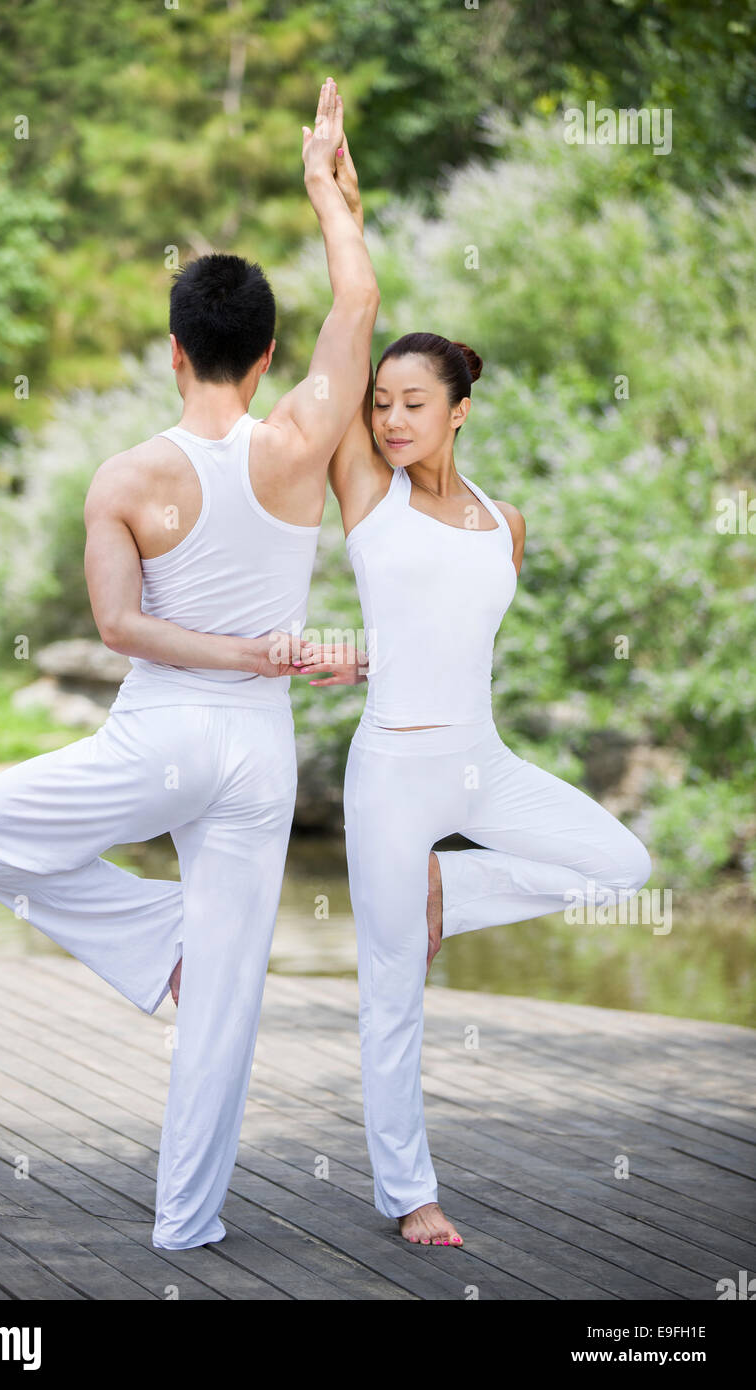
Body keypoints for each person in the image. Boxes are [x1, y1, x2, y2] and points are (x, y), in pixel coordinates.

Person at [0, 77, 380, 1251]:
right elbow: (362, 299)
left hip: (165, 733)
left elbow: (120, 629)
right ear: (265, 351)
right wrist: (326, 186)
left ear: (173, 349)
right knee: (224, 1003)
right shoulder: (297, 444)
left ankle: (145, 939)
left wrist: (230, 653)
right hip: (259, 751)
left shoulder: (127, 479)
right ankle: (186, 1230)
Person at [292, 141, 652, 1250]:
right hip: (392, 767)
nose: (390, 418)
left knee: (621, 865)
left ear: (456, 412)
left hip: (479, 760)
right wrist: (336, 208)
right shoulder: (367, 493)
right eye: (381, 404)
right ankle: (412, 1195)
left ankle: (455, 888)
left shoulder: (507, 524)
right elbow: (346, 330)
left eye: (412, 403)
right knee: (390, 993)